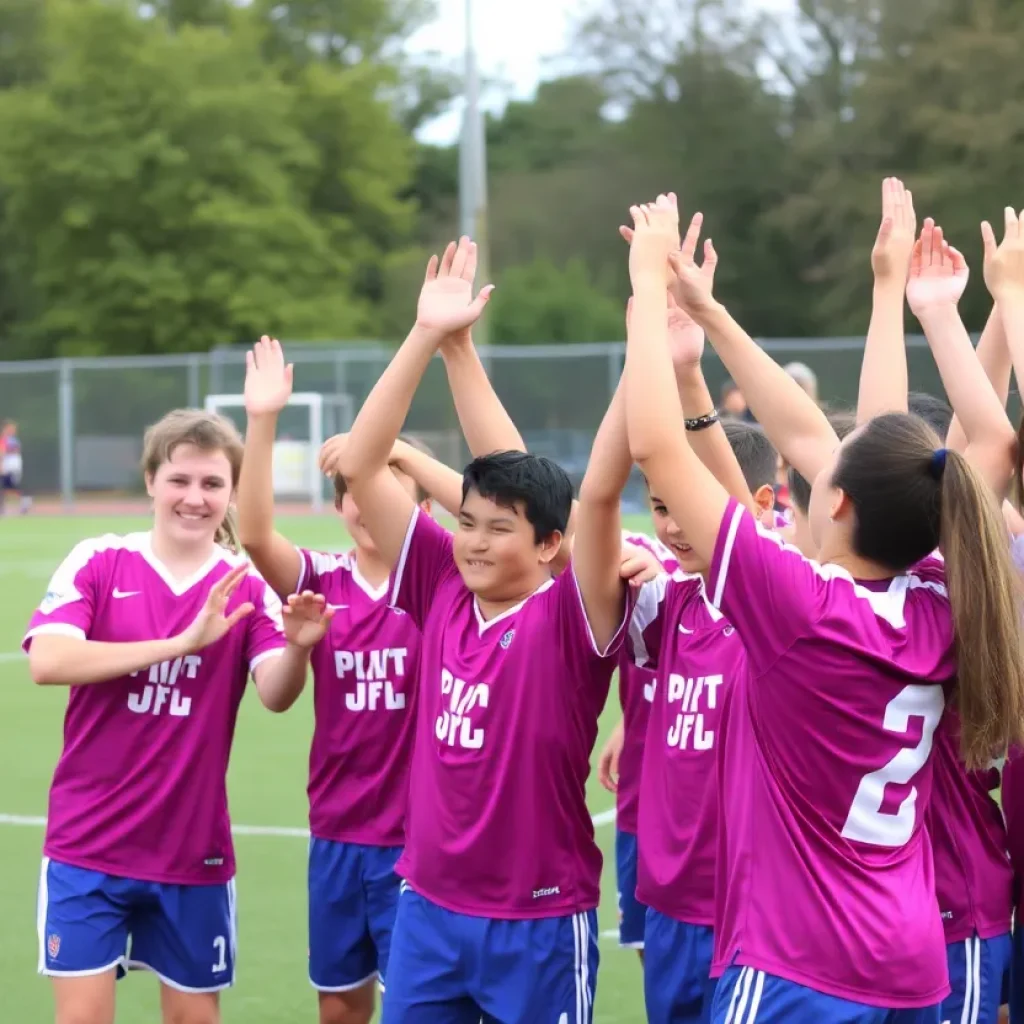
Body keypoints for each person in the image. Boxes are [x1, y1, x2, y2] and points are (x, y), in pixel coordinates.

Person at [624, 192, 1024, 1023]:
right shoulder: (944, 598)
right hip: (909, 958)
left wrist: (642, 290)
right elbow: (972, 449)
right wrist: (711, 315)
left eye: (823, 468)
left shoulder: (802, 607)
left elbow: (658, 450)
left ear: (834, 503)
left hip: (803, 962)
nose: (811, 456)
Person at [325, 237, 634, 1024]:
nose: (473, 541)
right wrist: (432, 338)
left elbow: (574, 494)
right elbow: (362, 467)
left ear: (550, 548)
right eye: (465, 523)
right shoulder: (440, 586)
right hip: (426, 906)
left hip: (536, 918)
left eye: (498, 530)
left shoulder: (572, 611)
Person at [25, 409, 330, 1024]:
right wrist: (180, 643)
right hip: (89, 844)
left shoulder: (246, 585)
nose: (195, 499)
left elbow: (276, 693)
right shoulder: (99, 559)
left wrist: (298, 646)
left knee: (195, 1018)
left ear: (232, 495)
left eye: (213, 485)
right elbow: (49, 660)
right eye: (180, 480)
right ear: (150, 481)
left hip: (192, 850)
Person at [236, 338, 436, 1024]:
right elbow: (257, 534)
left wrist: (397, 454)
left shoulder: (445, 587)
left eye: (382, 489)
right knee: (341, 1004)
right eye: (352, 492)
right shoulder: (321, 581)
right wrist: (262, 420)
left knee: (420, 1003)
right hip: (339, 832)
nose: (362, 506)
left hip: (423, 841)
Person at [1, 419, 31, 514]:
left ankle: (25, 500)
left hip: (10, 466)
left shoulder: (9, 440)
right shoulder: (8, 439)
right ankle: (3, 508)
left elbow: (3, 452)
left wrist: (1, 465)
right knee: (6, 487)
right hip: (9, 465)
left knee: (10, 486)